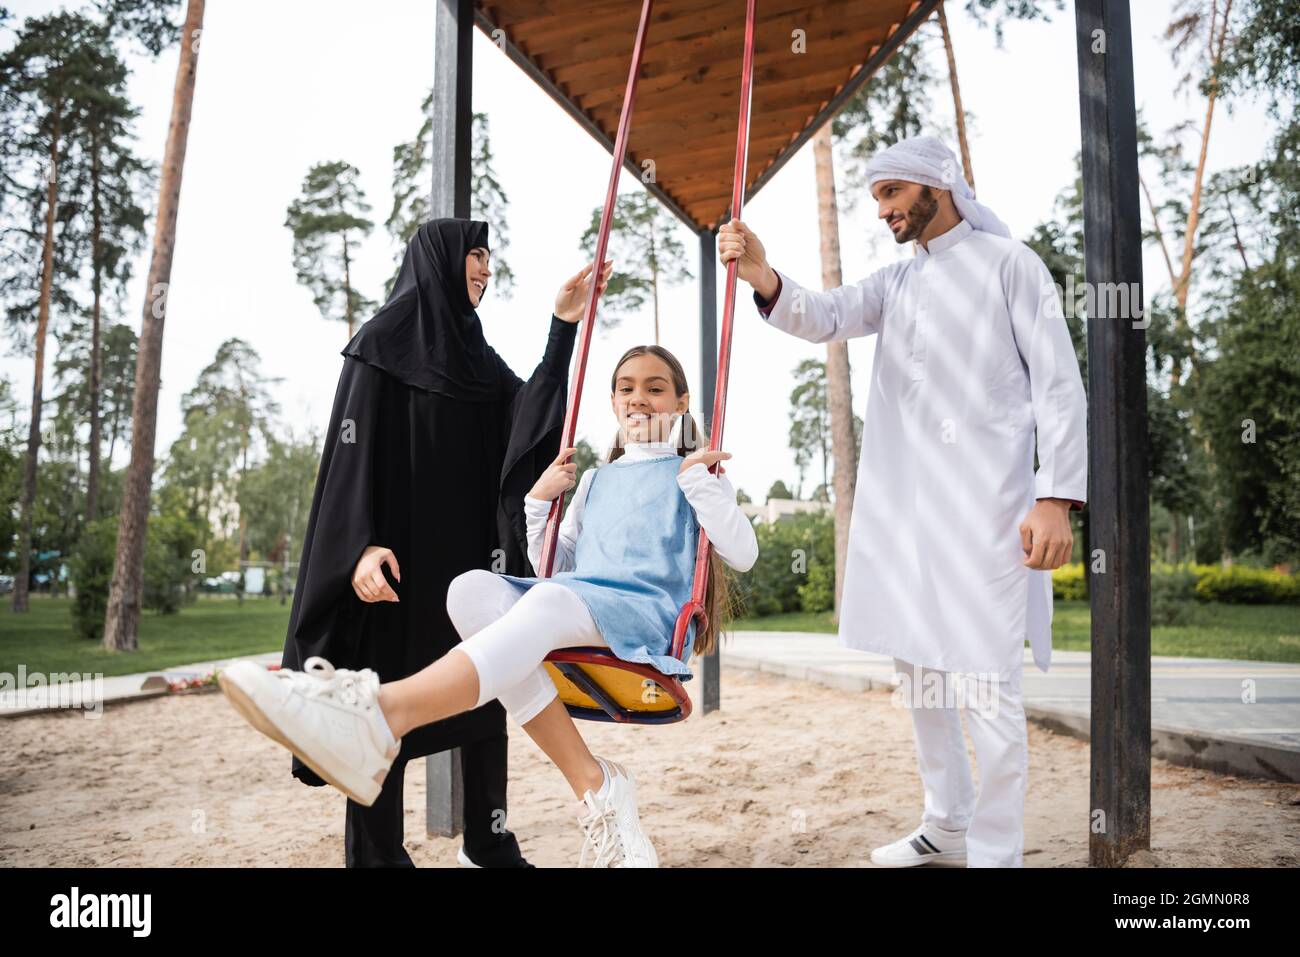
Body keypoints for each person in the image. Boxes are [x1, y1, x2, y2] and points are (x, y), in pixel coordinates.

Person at [221, 343, 759, 867]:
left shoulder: (693, 475)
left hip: (647, 614)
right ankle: (595, 784)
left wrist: (701, 486)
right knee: (470, 589)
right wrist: (539, 503)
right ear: (614, 402)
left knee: (546, 600)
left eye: (655, 388)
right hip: (586, 601)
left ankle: (380, 713)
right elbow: (554, 566)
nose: (638, 398)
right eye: (626, 388)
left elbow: (742, 552)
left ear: (682, 402)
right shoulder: (594, 481)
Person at [719, 135, 1087, 868]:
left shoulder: (1012, 266)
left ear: (936, 185)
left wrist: (1057, 497)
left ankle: (996, 852)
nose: (882, 210)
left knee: (985, 681)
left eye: (891, 194)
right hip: (907, 520)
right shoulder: (895, 283)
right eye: (875, 198)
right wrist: (761, 273)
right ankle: (945, 824)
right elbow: (822, 314)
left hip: (990, 516)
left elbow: (1058, 384)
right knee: (920, 673)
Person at [273, 216, 608, 867]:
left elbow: (527, 420)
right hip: (396, 566)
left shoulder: (477, 357)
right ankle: (379, 855)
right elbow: (348, 458)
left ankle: (487, 838)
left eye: (487, 255)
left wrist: (561, 327)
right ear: (439, 259)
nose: (485, 266)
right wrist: (360, 547)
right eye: (474, 255)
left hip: (466, 562)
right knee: (387, 700)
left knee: (488, 689)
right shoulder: (379, 344)